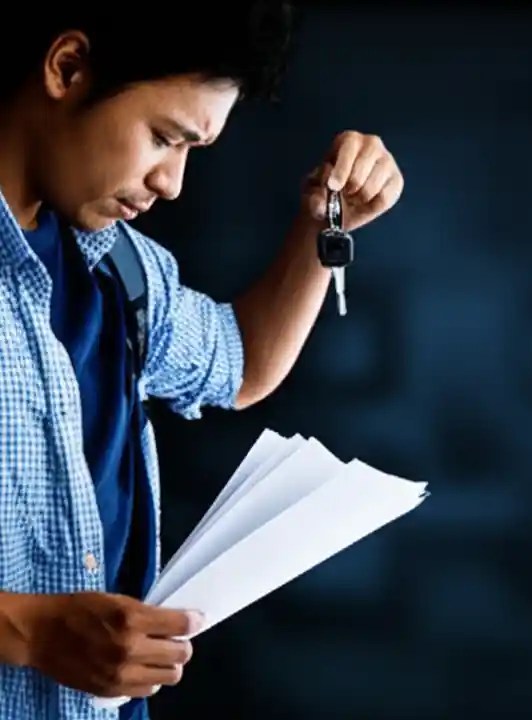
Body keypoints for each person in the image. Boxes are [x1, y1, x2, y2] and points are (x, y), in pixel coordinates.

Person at [0, 3, 404, 719]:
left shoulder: (119, 271)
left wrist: (324, 223)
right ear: (67, 68)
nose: (172, 183)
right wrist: (27, 632)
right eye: (164, 138)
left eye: (191, 151)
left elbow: (241, 365)